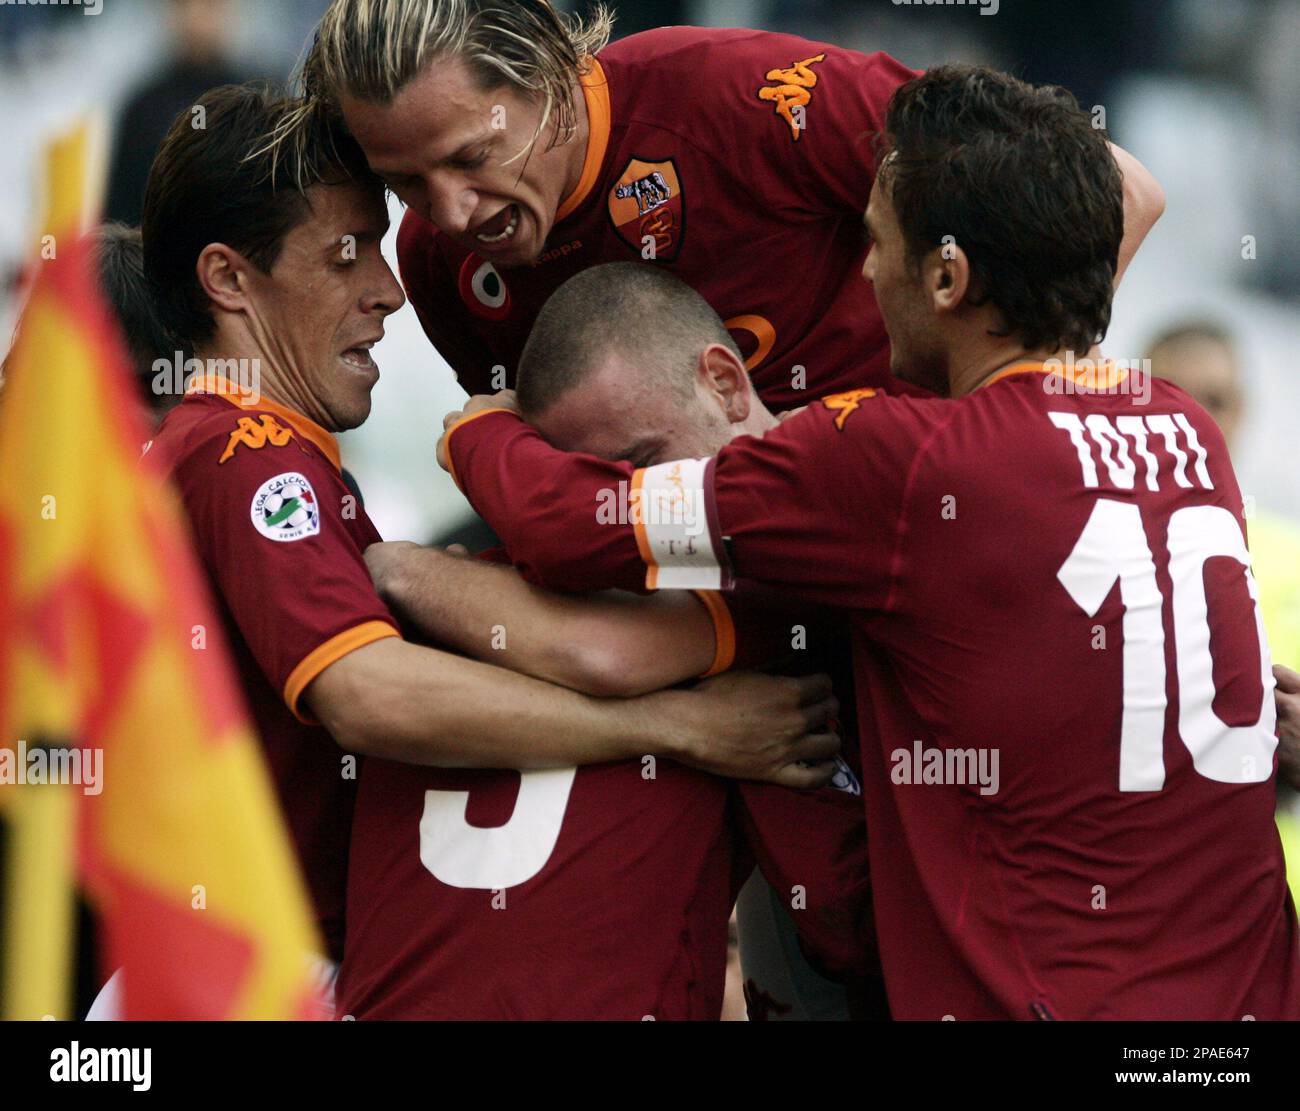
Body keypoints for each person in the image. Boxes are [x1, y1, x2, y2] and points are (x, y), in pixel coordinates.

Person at [435, 66, 1300, 1019]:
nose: (864, 273)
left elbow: (571, 526)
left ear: (947, 277)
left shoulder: (897, 461)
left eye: (877, 242)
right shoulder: (1185, 426)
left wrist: (478, 429)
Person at [139, 83, 839, 964]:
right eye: (346, 256)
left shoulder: (228, 453)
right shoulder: (244, 453)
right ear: (229, 279)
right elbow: (368, 694)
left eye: (381, 249)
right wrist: (678, 729)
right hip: (249, 970)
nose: (389, 292)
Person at [283, 0, 1164, 410]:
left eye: (472, 157)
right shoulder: (437, 264)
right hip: (716, 596)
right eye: (406, 183)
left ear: (547, 73)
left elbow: (1120, 188)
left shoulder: (749, 99)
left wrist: (1000, 429)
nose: (450, 212)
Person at [1145, 321, 1300, 898]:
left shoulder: (1293, 558)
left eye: (1214, 400)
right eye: (1174, 395)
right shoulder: (1080, 549)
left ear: (1242, 410)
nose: (1196, 419)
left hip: (1270, 903)